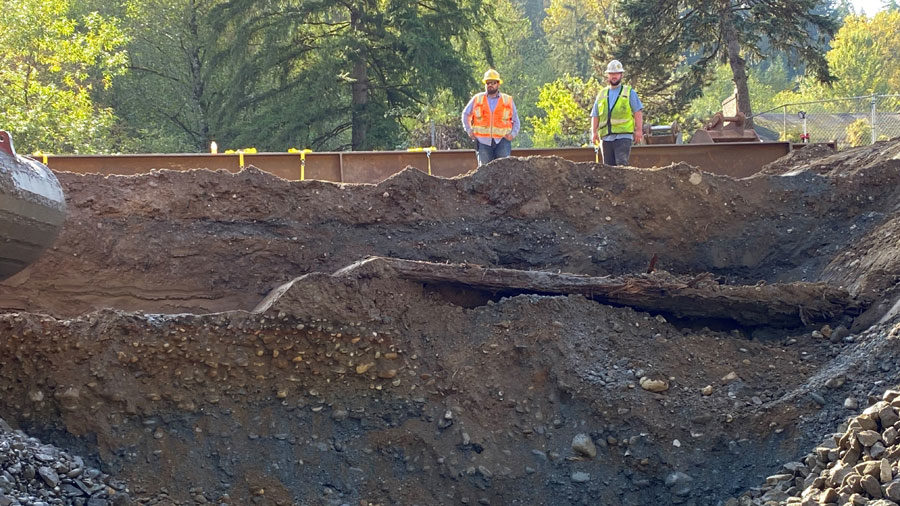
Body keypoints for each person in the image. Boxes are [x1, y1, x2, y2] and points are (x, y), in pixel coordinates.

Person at [462, 69, 520, 166]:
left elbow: (516, 121)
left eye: (493, 83)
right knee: (484, 171)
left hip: (502, 141)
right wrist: (469, 130)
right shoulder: (477, 99)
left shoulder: (507, 100)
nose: (490, 85)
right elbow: (465, 114)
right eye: (488, 83)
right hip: (483, 142)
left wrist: (512, 134)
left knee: (504, 169)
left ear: (498, 84)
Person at [591, 60, 643, 166]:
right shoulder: (602, 94)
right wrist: (594, 133)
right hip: (606, 137)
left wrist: (639, 130)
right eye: (611, 74)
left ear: (621, 75)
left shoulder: (629, 92)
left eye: (616, 73)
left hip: (623, 135)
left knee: (621, 164)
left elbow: (637, 111)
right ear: (608, 75)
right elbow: (595, 115)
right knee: (608, 168)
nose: (614, 76)